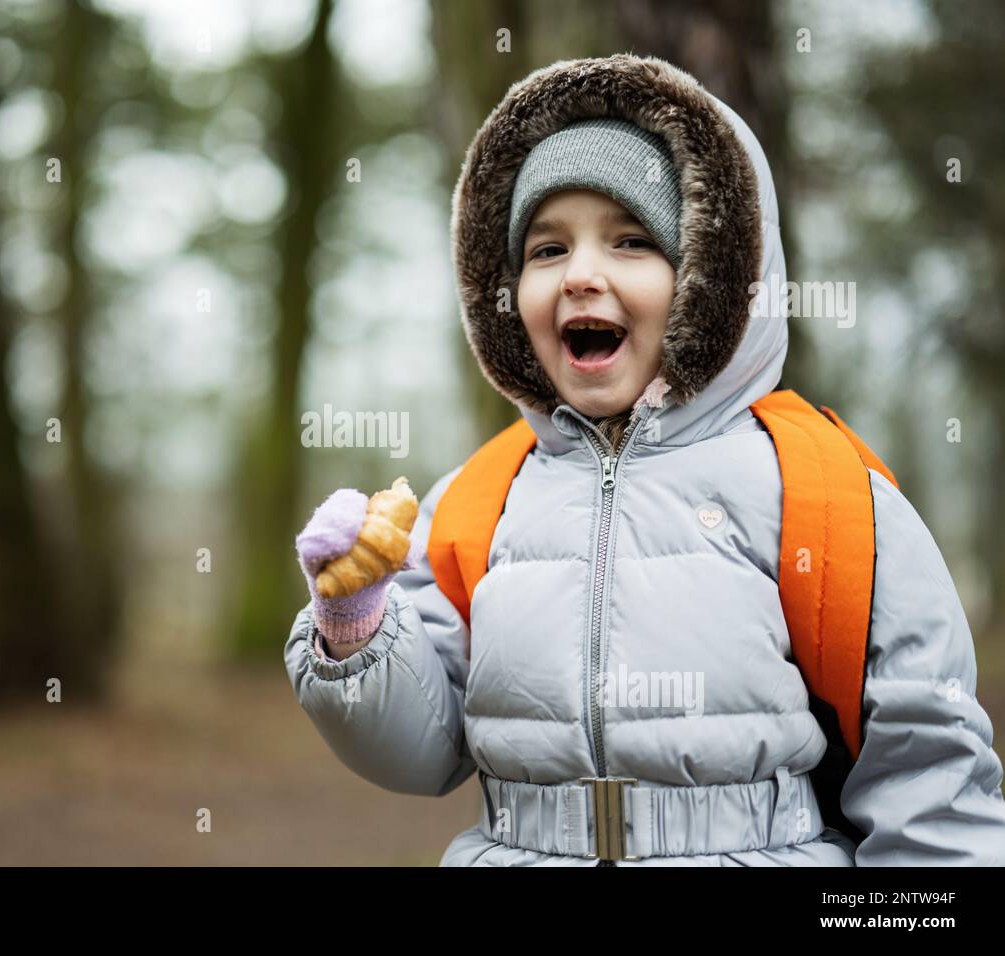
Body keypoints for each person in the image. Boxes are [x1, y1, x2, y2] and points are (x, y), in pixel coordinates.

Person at [283, 53, 1005, 865]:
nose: (581, 275)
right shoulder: (480, 499)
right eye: (547, 250)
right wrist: (356, 628)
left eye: (631, 241)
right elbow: (420, 752)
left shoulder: (824, 490)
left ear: (706, 279)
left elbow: (932, 784)